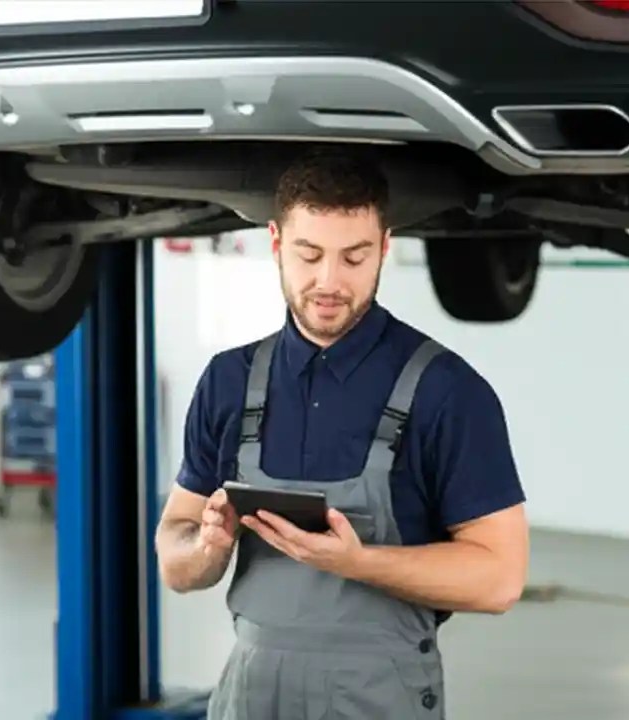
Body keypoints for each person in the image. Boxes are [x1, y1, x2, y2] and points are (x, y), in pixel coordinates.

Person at [154, 148, 529, 720]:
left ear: (384, 246)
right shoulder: (229, 381)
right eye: (309, 255)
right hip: (253, 691)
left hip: (377, 692)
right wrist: (208, 546)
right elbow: (174, 562)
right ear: (276, 243)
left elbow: (499, 579)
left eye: (354, 257)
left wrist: (358, 563)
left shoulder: (446, 391)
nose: (329, 282)